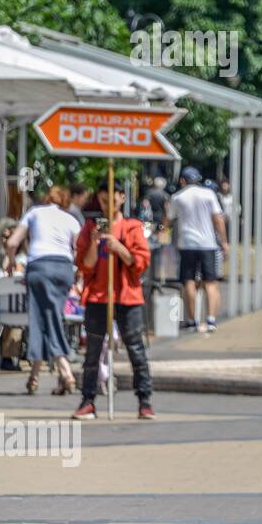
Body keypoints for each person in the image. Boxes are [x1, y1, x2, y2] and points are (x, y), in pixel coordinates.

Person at [72, 179, 153, 420]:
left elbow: (140, 263)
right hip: (99, 295)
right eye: (104, 199)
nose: (109, 203)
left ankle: (145, 401)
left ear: (122, 197)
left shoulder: (132, 227)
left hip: (127, 296)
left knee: (136, 350)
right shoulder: (89, 227)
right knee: (93, 351)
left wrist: (119, 247)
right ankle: (88, 400)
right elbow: (84, 265)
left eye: (114, 198)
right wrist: (96, 243)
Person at [5, 185, 79, 395]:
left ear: (47, 199)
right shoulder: (71, 220)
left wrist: (11, 263)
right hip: (64, 269)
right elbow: (79, 248)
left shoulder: (35, 213)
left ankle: (65, 370)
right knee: (49, 317)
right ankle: (34, 376)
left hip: (39, 267)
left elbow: (12, 243)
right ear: (64, 202)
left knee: (40, 318)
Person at [170, 166, 229, 333]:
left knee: (188, 281)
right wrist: (224, 241)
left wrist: (162, 229)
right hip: (207, 243)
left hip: (187, 243)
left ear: (183, 180)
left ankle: (191, 320)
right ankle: (211, 320)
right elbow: (218, 219)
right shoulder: (208, 194)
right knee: (210, 282)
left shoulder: (178, 197)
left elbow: (169, 219)